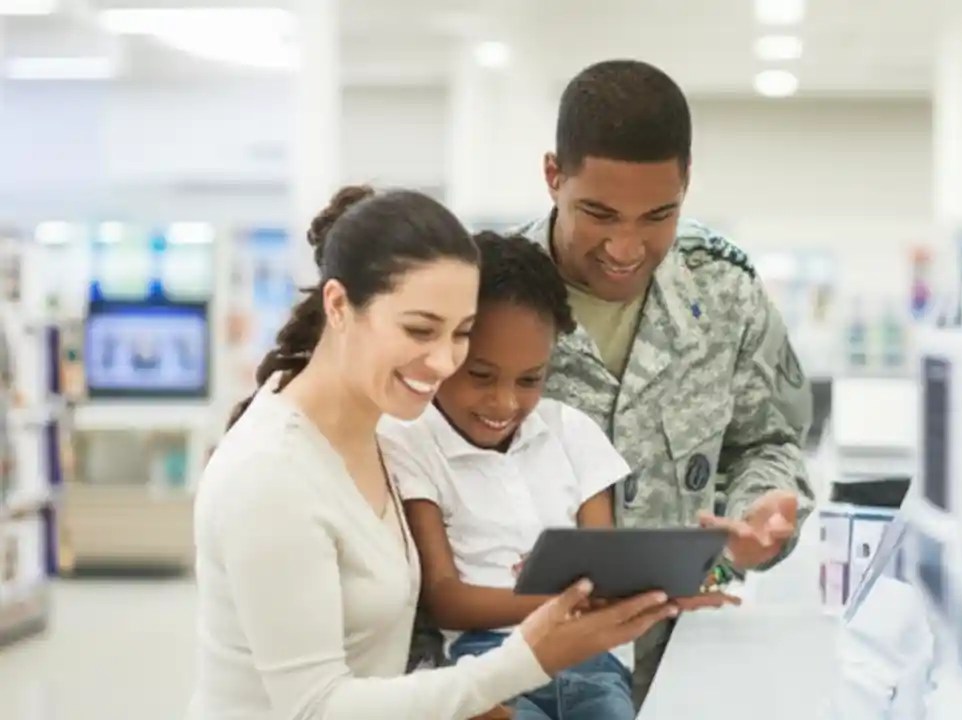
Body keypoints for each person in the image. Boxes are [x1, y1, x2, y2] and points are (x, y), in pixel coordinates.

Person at [189, 186, 678, 720]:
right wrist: (523, 661)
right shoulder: (272, 476)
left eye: (462, 334)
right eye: (419, 329)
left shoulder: (379, 437)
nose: (444, 361)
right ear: (338, 306)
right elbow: (316, 708)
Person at [511, 59, 818, 704]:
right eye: (598, 213)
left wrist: (757, 514)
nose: (626, 247)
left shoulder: (726, 295)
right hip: (515, 671)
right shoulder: (488, 298)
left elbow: (770, 443)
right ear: (552, 177)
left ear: (685, 186)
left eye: (658, 216)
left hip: (675, 673)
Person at [380, 232, 726, 720]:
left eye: (529, 380)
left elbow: (606, 563)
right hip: (490, 663)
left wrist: (665, 584)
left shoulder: (572, 432)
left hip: (594, 662)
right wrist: (562, 603)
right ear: (448, 348)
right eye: (481, 375)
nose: (504, 403)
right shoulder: (410, 441)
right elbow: (447, 599)